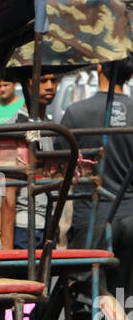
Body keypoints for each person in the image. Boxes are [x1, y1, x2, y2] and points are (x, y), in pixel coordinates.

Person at [60, 58, 133, 299]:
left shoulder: (76, 113)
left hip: (93, 220)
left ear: (99, 67)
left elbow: (60, 166)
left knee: (87, 296)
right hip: (130, 219)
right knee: (123, 295)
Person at [0, 68, 59, 250]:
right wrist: (7, 251)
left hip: (47, 226)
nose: (50, 87)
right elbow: (6, 194)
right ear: (29, 83)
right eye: (43, 81)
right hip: (24, 227)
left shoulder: (49, 124)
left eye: (53, 80)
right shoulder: (16, 125)